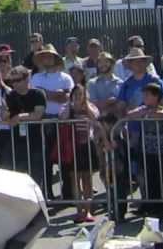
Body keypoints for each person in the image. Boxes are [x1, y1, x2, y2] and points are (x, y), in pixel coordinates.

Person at [30, 44, 73, 200]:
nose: (46, 58)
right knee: (45, 159)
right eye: (44, 56)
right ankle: (47, 193)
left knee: (65, 158)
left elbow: (67, 98)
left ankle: (67, 194)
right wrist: (55, 94)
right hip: (43, 120)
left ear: (55, 58)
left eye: (49, 56)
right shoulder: (35, 78)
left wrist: (46, 93)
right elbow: (36, 97)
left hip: (62, 120)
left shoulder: (65, 77)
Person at [123, 83, 163, 220]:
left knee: (162, 180)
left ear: (156, 96)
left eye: (148, 95)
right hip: (146, 150)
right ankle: (151, 208)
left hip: (161, 150)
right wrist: (145, 111)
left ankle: (162, 210)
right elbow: (130, 114)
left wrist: (149, 112)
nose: (145, 97)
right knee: (150, 180)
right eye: (144, 95)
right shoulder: (143, 108)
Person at [60, 84, 101, 223]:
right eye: (75, 94)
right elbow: (63, 118)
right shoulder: (67, 107)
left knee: (87, 179)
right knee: (74, 179)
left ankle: (88, 210)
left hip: (86, 145)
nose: (78, 97)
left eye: (81, 94)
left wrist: (86, 105)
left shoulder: (90, 107)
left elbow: (96, 118)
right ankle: (79, 210)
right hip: (72, 146)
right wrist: (70, 105)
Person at [2, 66, 47, 191]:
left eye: (18, 80)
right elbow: (7, 118)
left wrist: (20, 117)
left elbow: (37, 114)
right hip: (16, 142)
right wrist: (4, 113)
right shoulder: (10, 96)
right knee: (18, 177)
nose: (15, 83)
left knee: (36, 178)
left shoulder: (38, 93)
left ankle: (38, 208)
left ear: (27, 79)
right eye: (12, 81)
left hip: (35, 141)